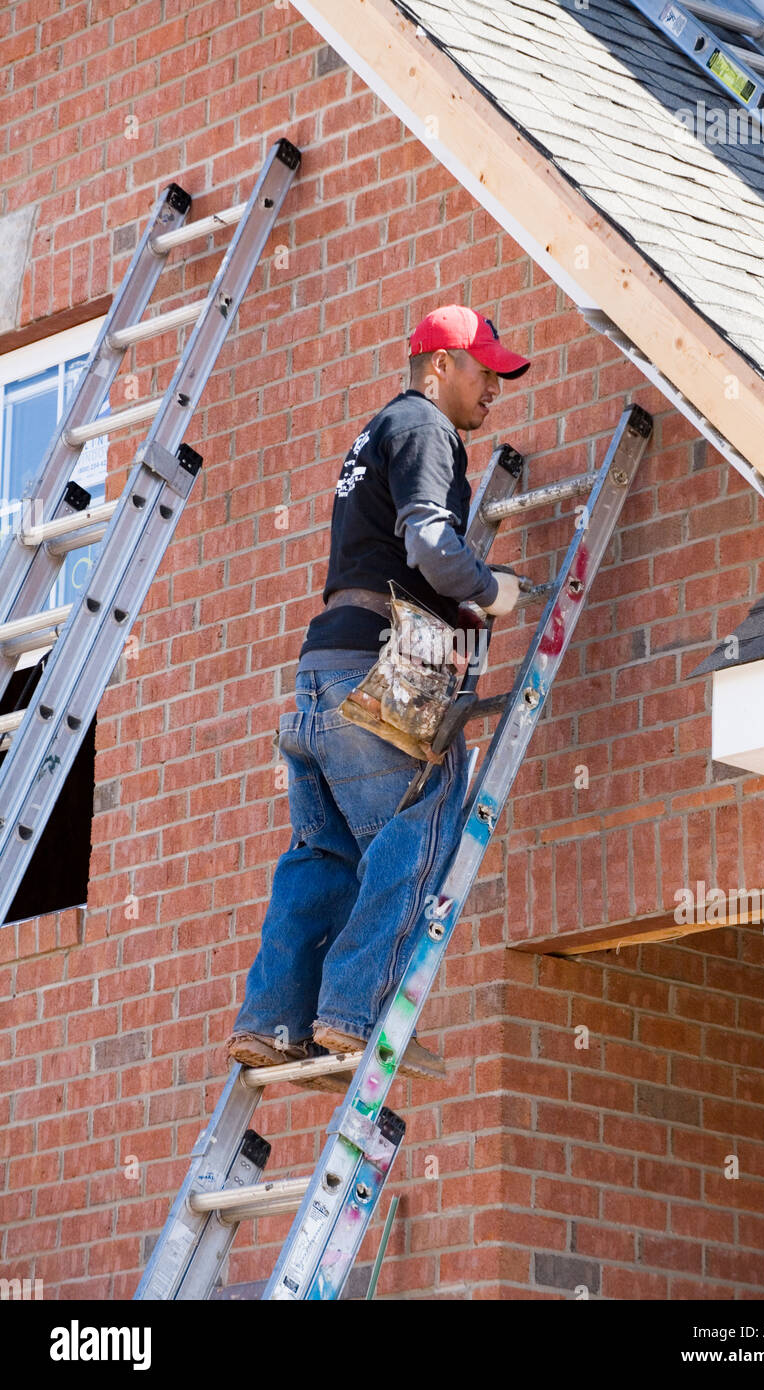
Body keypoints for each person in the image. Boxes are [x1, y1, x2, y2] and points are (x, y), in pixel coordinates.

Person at [226, 306, 531, 1090]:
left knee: (321, 853)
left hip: (319, 668)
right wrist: (489, 589)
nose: (492, 386)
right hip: (376, 661)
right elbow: (431, 541)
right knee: (422, 815)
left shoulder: (375, 434)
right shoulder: (428, 427)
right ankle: (354, 1018)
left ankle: (274, 1023)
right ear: (437, 367)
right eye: (481, 369)